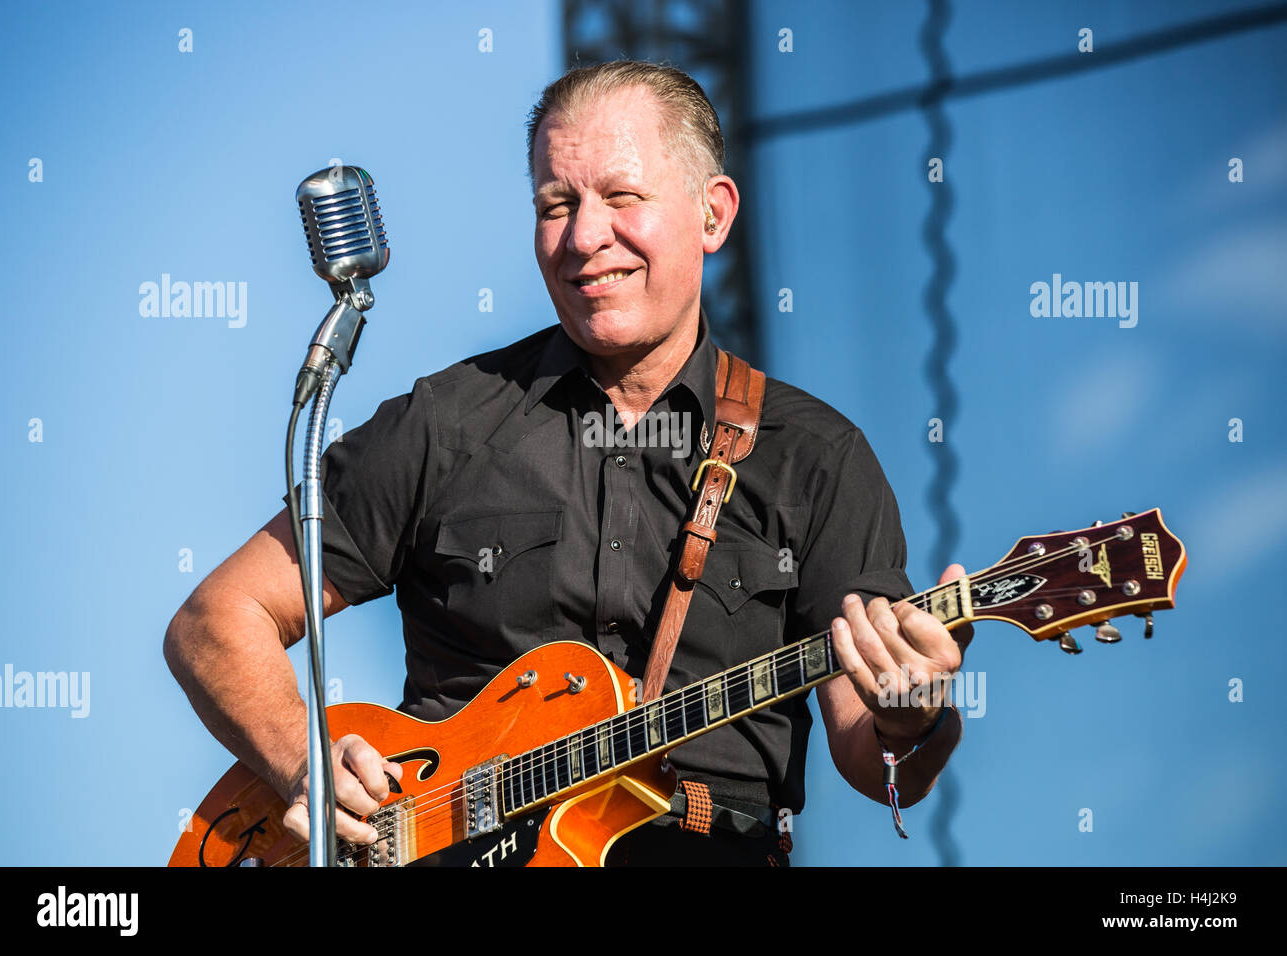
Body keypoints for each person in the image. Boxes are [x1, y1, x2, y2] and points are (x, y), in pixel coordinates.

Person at [163, 60, 971, 866]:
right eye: (557, 205)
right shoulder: (446, 422)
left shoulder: (816, 459)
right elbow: (216, 619)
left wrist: (912, 718)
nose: (585, 237)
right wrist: (302, 760)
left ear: (713, 214)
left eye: (622, 197)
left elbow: (875, 761)